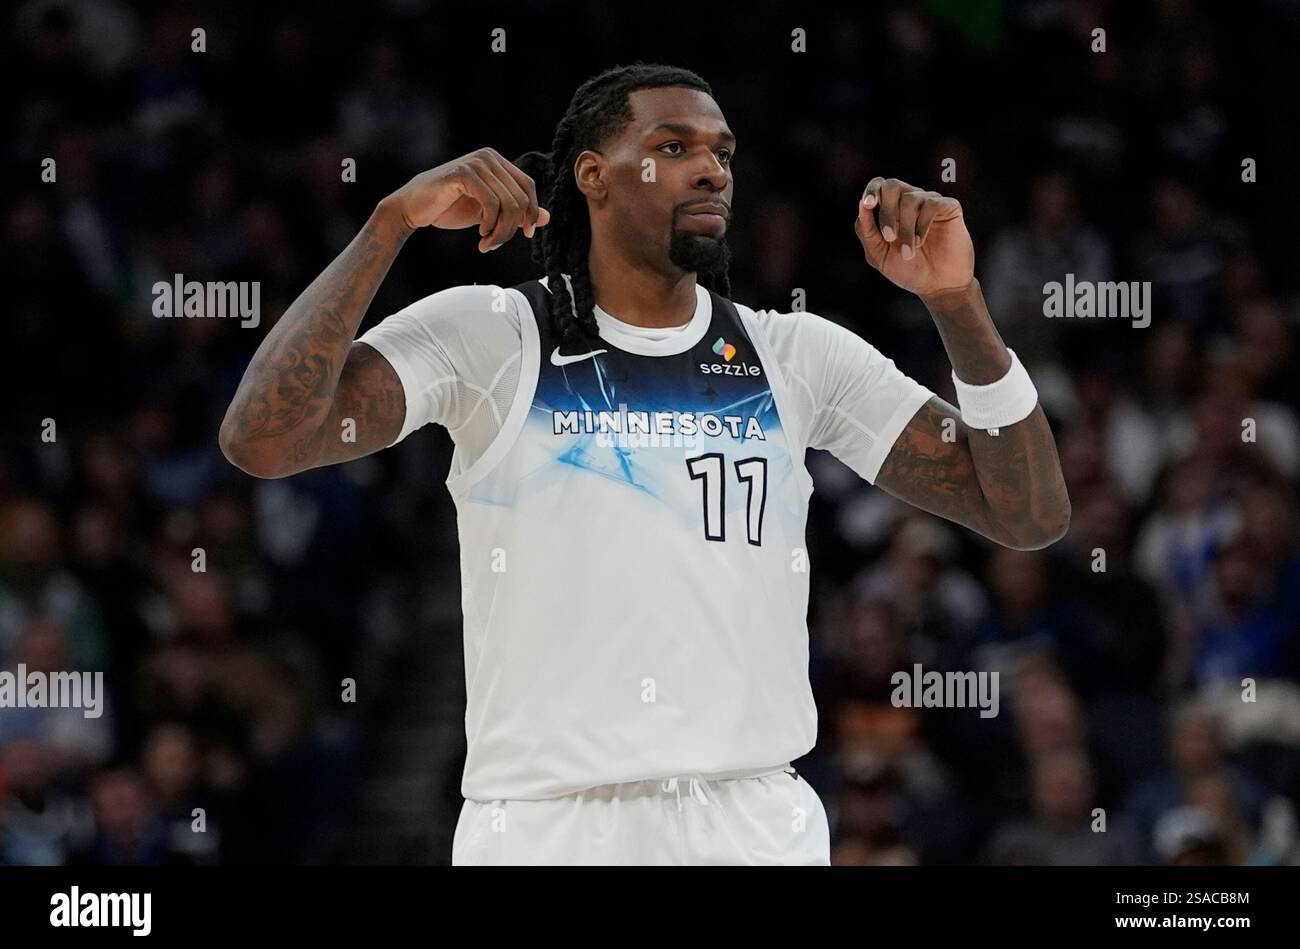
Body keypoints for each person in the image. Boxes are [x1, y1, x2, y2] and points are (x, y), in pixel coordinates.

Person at [219, 63, 1070, 865]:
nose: (711, 171)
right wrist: (388, 224)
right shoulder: (493, 336)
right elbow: (264, 438)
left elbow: (1026, 515)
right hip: (547, 826)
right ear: (592, 175)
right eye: (673, 148)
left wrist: (957, 304)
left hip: (751, 822)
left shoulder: (793, 355)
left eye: (722, 154)